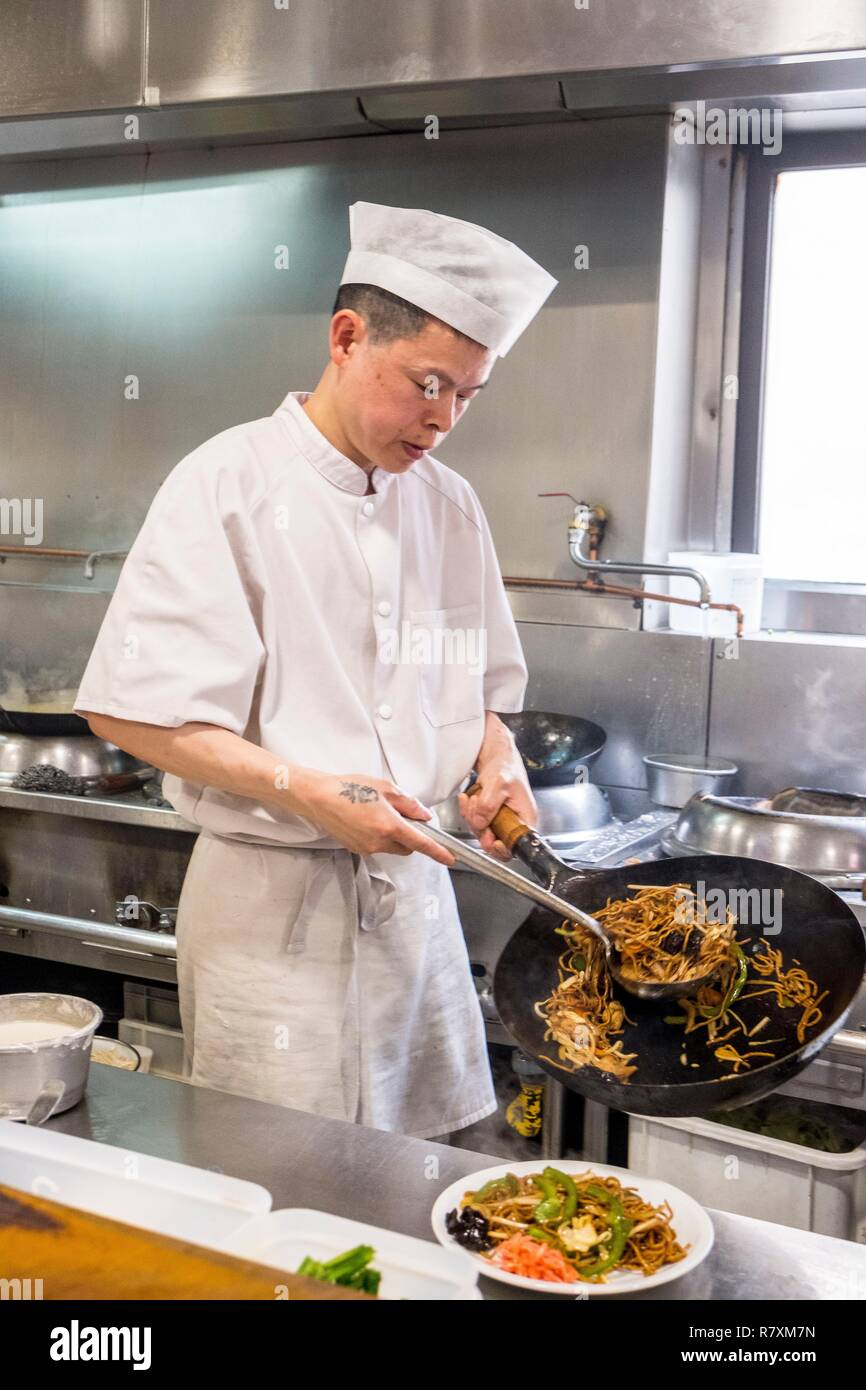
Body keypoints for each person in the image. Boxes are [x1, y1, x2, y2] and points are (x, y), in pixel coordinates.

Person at [74, 201, 557, 1138]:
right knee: (279, 1202)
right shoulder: (227, 484)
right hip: (270, 924)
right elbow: (131, 716)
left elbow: (478, 693)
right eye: (428, 384)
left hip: (416, 914)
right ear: (345, 337)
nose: (445, 419)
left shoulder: (450, 508)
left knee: (424, 1198)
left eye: (467, 395)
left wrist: (496, 754)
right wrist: (304, 787)